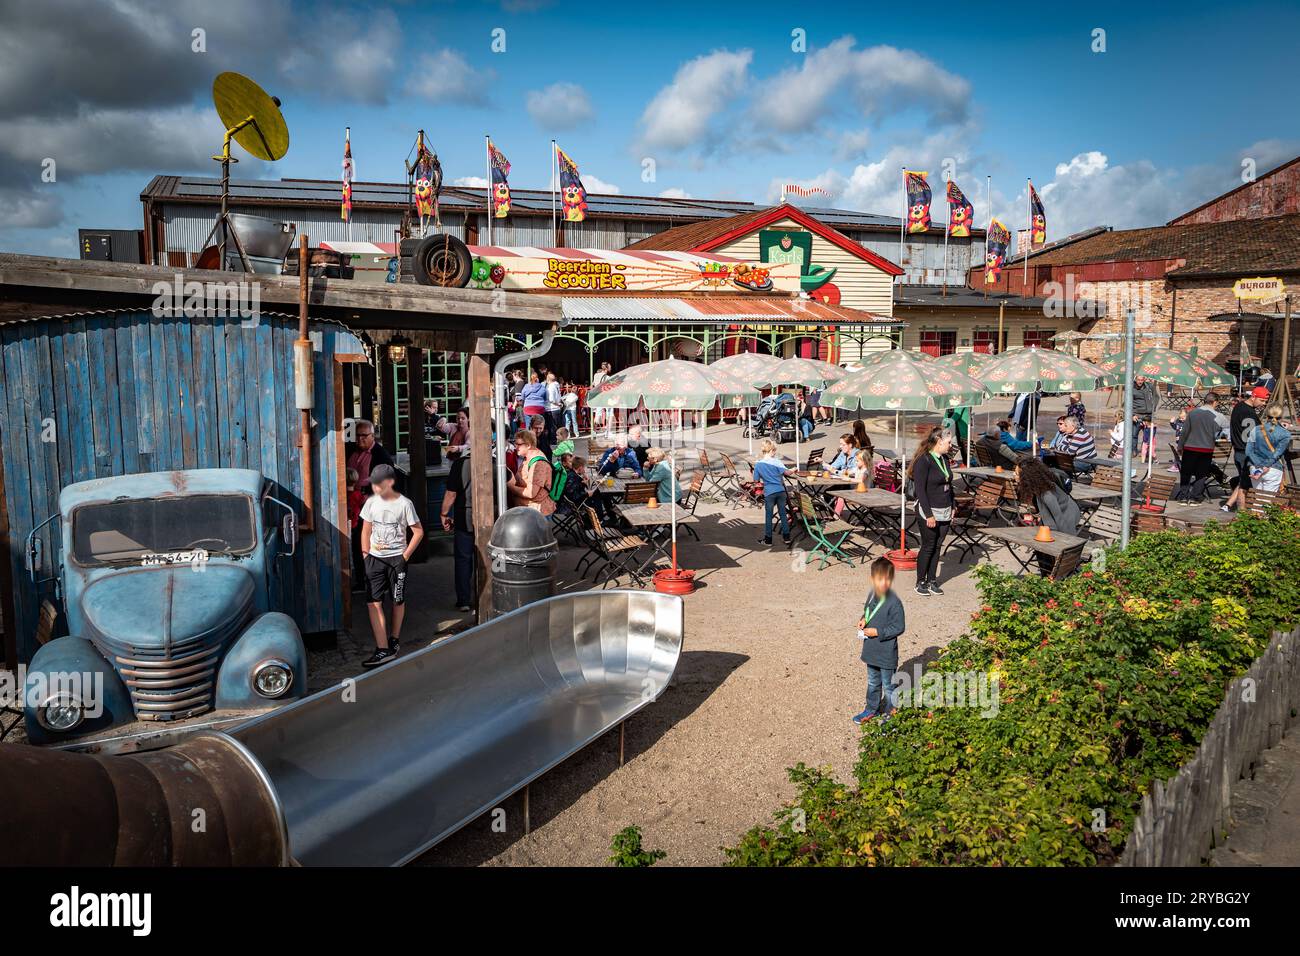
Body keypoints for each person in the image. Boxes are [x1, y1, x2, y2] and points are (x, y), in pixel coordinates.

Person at [359, 464, 423, 667]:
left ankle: (394, 639)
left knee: (397, 600)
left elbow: (418, 532)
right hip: (375, 560)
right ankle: (382, 648)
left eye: (379, 484)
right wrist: (365, 555)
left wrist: (404, 557)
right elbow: (365, 530)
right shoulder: (370, 503)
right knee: (373, 602)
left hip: (397, 559)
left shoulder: (405, 504)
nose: (375, 488)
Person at [853, 556, 905, 724]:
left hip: (886, 653)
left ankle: (891, 713)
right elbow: (868, 612)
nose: (884, 583)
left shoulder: (894, 603)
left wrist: (878, 632)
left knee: (889, 686)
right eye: (879, 579)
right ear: (872, 579)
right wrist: (863, 619)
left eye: (888, 579)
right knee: (873, 683)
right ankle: (871, 709)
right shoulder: (871, 595)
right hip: (871, 651)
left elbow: (899, 627)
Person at [346, 420, 397, 591]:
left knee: (375, 546)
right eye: (357, 436)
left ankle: (377, 582)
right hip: (355, 507)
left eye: (364, 436)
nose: (360, 439)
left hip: (373, 508)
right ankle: (361, 580)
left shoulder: (380, 455)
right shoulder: (351, 452)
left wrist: (367, 490)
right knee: (357, 544)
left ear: (372, 436)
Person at [908, 427, 955, 596]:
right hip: (929, 510)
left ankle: (932, 580)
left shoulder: (945, 459)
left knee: (937, 546)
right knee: (928, 546)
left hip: (945, 508)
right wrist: (929, 514)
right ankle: (920, 581)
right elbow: (920, 490)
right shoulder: (924, 460)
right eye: (949, 442)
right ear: (938, 441)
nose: (951, 445)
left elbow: (949, 485)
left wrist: (953, 505)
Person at [1015, 455, 1079, 575]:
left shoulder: (1047, 494)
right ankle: (1048, 573)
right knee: (1040, 547)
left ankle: (1056, 574)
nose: (1015, 476)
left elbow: (1060, 520)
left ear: (1027, 477)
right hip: (1055, 521)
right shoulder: (1039, 488)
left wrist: (1068, 547)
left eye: (1017, 474)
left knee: (1043, 547)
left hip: (1067, 517)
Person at [440, 447, 475, 613]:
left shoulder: (459, 465)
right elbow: (510, 483)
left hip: (464, 516)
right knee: (489, 558)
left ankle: (464, 600)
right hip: (490, 516)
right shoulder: (494, 463)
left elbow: (451, 494)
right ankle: (488, 595)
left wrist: (444, 513)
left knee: (463, 559)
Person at [1224, 386, 1269, 512]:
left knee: (1245, 481)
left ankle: (1229, 505)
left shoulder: (1239, 407)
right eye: (1262, 401)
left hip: (1239, 451)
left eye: (1265, 401)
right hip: (1247, 452)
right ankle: (1242, 512)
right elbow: (1255, 434)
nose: (1263, 404)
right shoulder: (1248, 412)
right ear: (1253, 397)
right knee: (1246, 484)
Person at [1174, 395, 1220, 503]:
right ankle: (1196, 496)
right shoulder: (1216, 415)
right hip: (1206, 448)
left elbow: (1185, 431)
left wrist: (1180, 446)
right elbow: (1218, 432)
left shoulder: (1193, 413)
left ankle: (1184, 496)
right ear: (1214, 402)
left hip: (1190, 446)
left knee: (1186, 472)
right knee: (1201, 473)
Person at [752, 438, 796, 546]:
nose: (775, 453)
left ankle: (768, 540)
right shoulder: (777, 462)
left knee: (768, 516)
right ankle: (787, 538)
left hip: (769, 492)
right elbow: (787, 472)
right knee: (783, 514)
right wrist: (794, 469)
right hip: (781, 491)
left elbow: (756, 481)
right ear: (771, 450)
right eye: (774, 450)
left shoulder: (758, 464)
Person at [1245, 404, 1292, 494]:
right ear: (1281, 417)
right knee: (1267, 502)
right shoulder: (1285, 434)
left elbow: (1248, 451)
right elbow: (1276, 454)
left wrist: (1259, 465)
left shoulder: (1255, 429)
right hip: (1273, 468)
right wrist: (1265, 466)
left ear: (1267, 415)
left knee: (1257, 499)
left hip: (1255, 467)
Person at [507, 430, 556, 516]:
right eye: (515, 443)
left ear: (529, 445)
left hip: (537, 514)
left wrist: (511, 487)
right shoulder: (527, 457)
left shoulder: (539, 464)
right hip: (528, 511)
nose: (515, 447)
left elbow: (531, 493)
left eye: (518, 444)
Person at [1132, 374, 1159, 460]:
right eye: (1138, 380)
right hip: (1137, 414)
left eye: (1142, 380)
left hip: (1148, 415)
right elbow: (1128, 402)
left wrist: (1153, 407)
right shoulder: (1131, 387)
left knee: (1148, 435)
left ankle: (1146, 451)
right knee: (1134, 434)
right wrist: (1132, 415)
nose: (1140, 382)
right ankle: (1133, 451)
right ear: (1135, 379)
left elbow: (1156, 397)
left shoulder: (1149, 386)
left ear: (1144, 380)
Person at [544, 372, 563, 443]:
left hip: (551, 408)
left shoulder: (550, 387)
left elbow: (551, 399)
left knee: (552, 426)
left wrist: (557, 404)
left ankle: (553, 440)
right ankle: (557, 439)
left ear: (548, 379)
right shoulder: (556, 385)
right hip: (557, 408)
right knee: (556, 425)